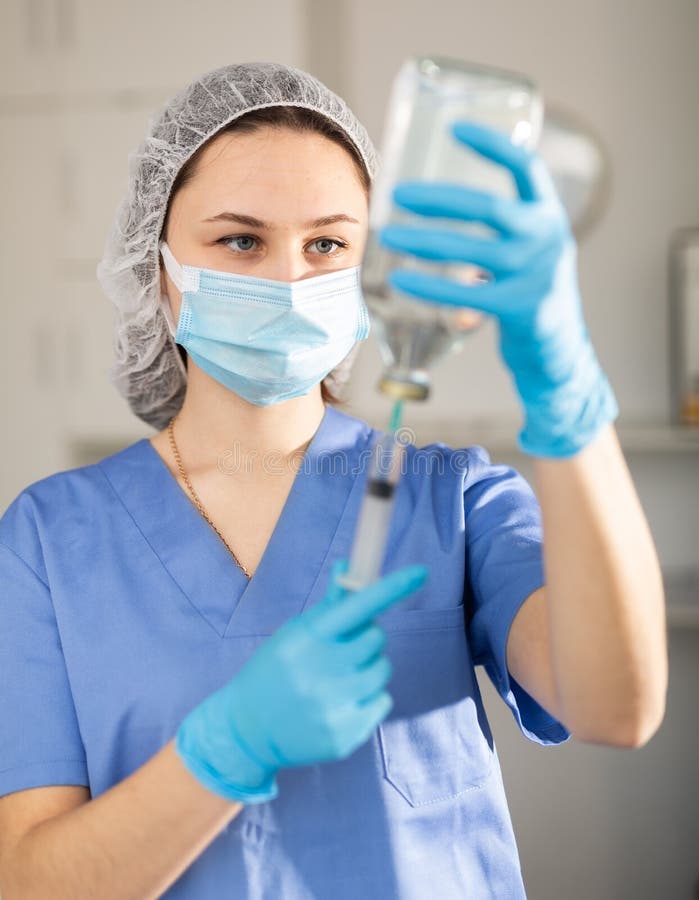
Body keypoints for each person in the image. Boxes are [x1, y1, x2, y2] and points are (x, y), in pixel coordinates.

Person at [0, 62, 667, 899]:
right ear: (155, 264)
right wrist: (225, 753)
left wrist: (565, 393)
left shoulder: (455, 502)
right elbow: (27, 882)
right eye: (240, 240)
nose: (290, 280)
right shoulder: (49, 541)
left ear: (369, 263)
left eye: (326, 244)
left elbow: (615, 709)